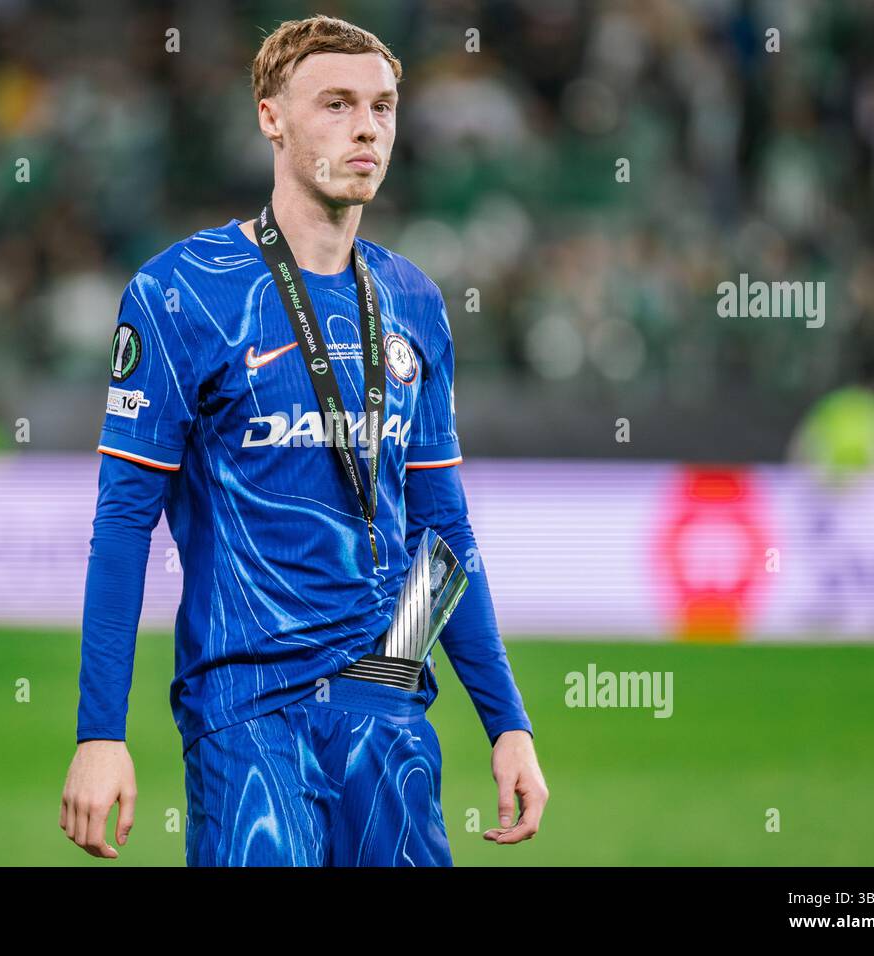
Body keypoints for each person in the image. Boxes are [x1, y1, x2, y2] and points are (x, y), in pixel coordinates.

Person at [61, 15, 547, 866]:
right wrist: (100, 733)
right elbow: (122, 522)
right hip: (246, 705)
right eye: (337, 103)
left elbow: (443, 531)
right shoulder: (183, 292)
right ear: (270, 117)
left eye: (384, 106)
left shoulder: (413, 301)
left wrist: (507, 722)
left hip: (387, 702)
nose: (367, 127)